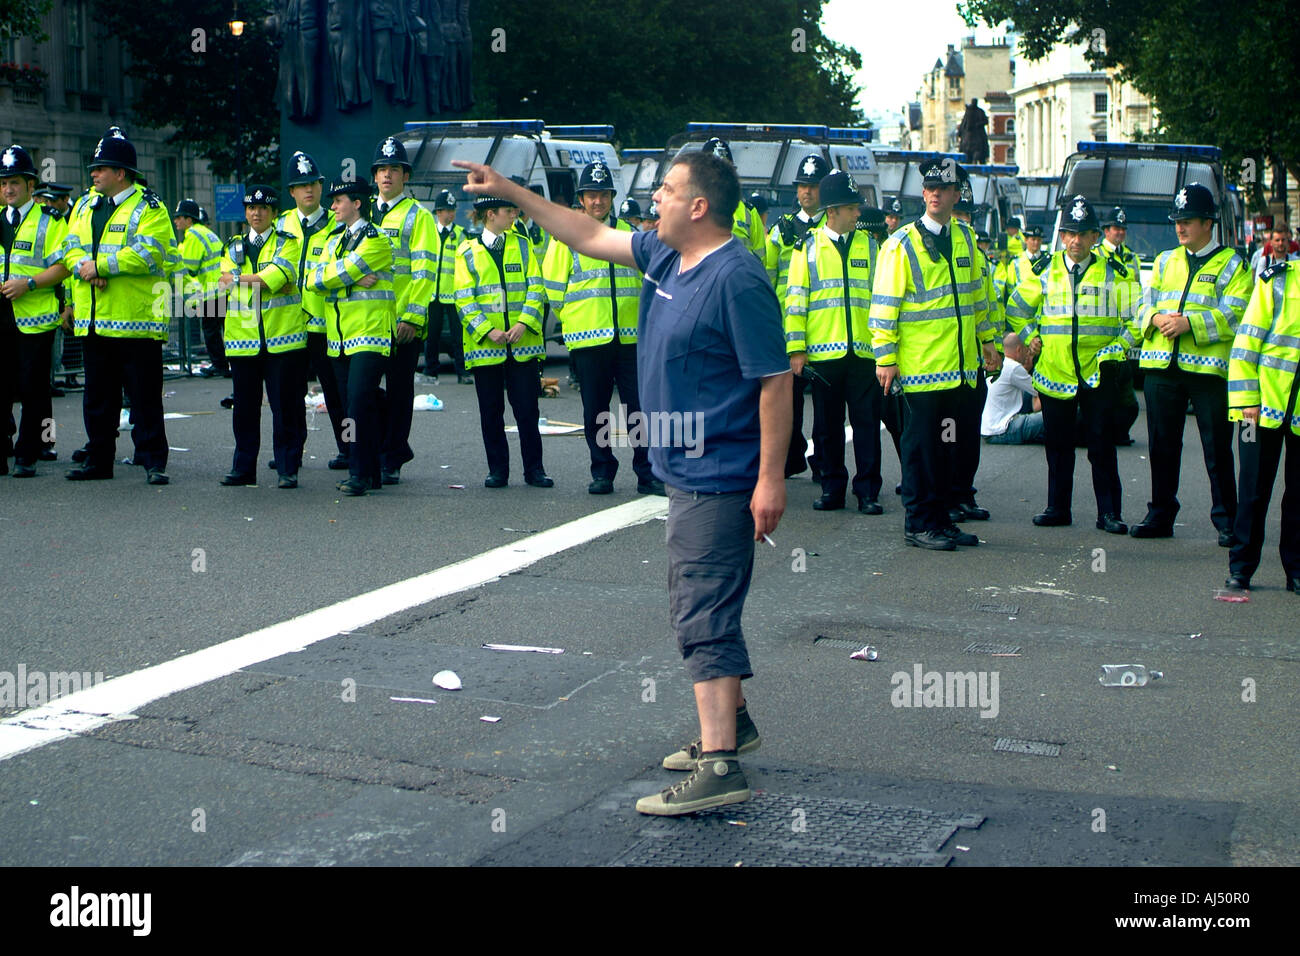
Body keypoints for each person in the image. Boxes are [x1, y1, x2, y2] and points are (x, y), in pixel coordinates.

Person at [452, 146, 791, 817]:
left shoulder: (737, 277)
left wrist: (770, 480)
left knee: (702, 607)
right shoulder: (669, 256)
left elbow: (775, 380)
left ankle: (720, 762)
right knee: (697, 595)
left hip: (718, 473)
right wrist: (512, 190)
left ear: (698, 206)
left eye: (665, 190)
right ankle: (733, 724)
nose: (653, 200)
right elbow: (583, 232)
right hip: (682, 469)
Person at [869, 159, 1000, 551]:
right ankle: (919, 522)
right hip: (922, 371)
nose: (935, 194)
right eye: (929, 188)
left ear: (956, 194)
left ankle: (942, 519)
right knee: (920, 451)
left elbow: (978, 297)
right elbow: (884, 307)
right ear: (923, 193)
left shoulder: (963, 238)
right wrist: (885, 358)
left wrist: (988, 341)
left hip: (959, 372)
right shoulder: (901, 244)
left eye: (943, 189)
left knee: (948, 450)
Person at [1006, 195, 1139, 533]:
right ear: (1061, 236)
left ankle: (1109, 513)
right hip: (1055, 371)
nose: (1076, 241)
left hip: (1097, 373)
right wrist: (1030, 335)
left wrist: (1117, 349)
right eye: (1069, 233)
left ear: (1095, 237)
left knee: (1102, 446)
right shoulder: (1044, 270)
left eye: (1083, 234)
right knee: (1058, 445)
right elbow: (1016, 307)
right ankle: (1057, 507)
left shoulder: (1114, 274)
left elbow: (1137, 318)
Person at [1131, 183, 1251, 544]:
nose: (1180, 227)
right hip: (1160, 367)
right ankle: (1160, 514)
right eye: (1177, 221)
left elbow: (1237, 313)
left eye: (1187, 220)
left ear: (1207, 223)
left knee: (1216, 449)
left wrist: (1190, 324)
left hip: (1207, 372)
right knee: (1161, 446)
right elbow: (1140, 304)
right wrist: (1153, 318)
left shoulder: (1233, 264)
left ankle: (1227, 520)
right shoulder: (1166, 260)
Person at [62, 127, 176, 485]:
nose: (93, 174)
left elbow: (150, 252)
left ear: (121, 173)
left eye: (101, 168)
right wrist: (84, 267)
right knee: (98, 397)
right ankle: (99, 460)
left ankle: (153, 461)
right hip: (96, 319)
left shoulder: (149, 206)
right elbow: (68, 245)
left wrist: (102, 266)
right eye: (93, 168)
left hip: (136, 319)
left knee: (144, 397)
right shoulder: (83, 205)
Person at [541, 160, 659, 495]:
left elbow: (648, 281)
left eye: (603, 194)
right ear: (582, 198)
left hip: (631, 337)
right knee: (596, 410)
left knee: (638, 408)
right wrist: (576, 320)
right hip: (588, 339)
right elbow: (553, 287)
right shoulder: (567, 235)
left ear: (611, 196)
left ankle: (647, 472)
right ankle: (602, 471)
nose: (597, 201)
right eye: (591, 195)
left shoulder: (631, 234)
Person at [784, 170, 883, 514]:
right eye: (852, 208)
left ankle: (868, 490)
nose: (858, 213)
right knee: (827, 428)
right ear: (833, 211)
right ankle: (832, 488)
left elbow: (880, 299)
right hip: (823, 354)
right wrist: (796, 350)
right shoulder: (806, 248)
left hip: (864, 353)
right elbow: (796, 302)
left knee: (867, 424)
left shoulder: (870, 247)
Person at [453, 190, 552, 489]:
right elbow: (463, 299)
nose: (515, 215)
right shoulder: (466, 252)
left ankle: (535, 470)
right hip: (487, 347)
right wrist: (487, 330)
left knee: (527, 410)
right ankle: (498, 470)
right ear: (490, 214)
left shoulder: (523, 246)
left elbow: (537, 288)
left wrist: (524, 322)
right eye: (509, 210)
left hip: (522, 345)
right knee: (491, 411)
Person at [309, 176, 396, 496]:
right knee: (352, 406)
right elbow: (313, 278)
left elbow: (334, 274)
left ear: (357, 203)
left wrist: (340, 277)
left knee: (358, 402)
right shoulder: (332, 241)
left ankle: (359, 472)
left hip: (370, 333)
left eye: (338, 201)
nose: (332, 206)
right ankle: (370, 467)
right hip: (340, 337)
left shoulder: (376, 239)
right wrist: (352, 280)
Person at [216, 185, 306, 489]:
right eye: (252, 208)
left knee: (285, 408)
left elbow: (277, 278)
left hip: (282, 338)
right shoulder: (232, 246)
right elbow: (224, 282)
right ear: (245, 212)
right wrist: (258, 280)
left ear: (274, 213)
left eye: (264, 208)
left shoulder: (287, 243)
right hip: (243, 340)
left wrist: (240, 279)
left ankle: (287, 468)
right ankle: (243, 469)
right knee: (244, 410)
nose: (257, 213)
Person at [1223, 258, 1299, 594]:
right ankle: (1241, 567)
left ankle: (1296, 569)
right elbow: (1246, 343)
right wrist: (1245, 402)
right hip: (1259, 408)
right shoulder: (1279, 280)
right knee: (1252, 489)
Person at [274, 149, 349, 471]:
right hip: (289, 323)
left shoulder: (337, 222)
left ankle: (348, 448)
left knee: (338, 394)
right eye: (301, 185)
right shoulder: (281, 225)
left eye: (313, 184)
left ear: (321, 187)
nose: (308, 190)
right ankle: (290, 453)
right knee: (288, 395)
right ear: (291, 191)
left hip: (327, 325)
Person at [371, 136, 438, 485]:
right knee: (361, 390)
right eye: (381, 169)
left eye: (393, 169)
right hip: (366, 321)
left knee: (399, 391)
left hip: (402, 322)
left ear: (405, 176)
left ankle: (393, 455)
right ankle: (381, 445)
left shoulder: (418, 216)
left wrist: (412, 316)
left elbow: (425, 271)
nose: (386, 175)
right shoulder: (364, 210)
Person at [1, 144, 69, 478]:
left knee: (34, 388)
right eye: (3, 183)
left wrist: (27, 284)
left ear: (31, 185)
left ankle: (34, 448)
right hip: (1, 316)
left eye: (14, 182)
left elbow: (64, 267)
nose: (8, 189)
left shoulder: (50, 220)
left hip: (35, 318)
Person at [765, 153, 828, 480]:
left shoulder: (832, 227)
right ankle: (792, 457)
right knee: (787, 399)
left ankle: (822, 462)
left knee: (824, 404)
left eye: (814, 186)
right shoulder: (782, 229)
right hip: (786, 327)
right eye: (803, 186)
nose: (807, 192)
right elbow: (768, 277)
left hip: (822, 326)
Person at [424, 189, 470, 384]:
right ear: (437, 212)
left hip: (453, 293)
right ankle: (430, 371)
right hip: (432, 293)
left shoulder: (460, 234)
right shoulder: (428, 233)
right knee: (431, 335)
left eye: (452, 210)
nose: (449, 213)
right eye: (445, 210)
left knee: (458, 336)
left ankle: (463, 371)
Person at [172, 198, 223, 366]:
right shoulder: (205, 231)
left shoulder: (193, 234)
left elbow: (190, 267)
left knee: (210, 331)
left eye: (180, 217)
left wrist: (177, 253)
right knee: (223, 330)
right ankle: (227, 364)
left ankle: (219, 365)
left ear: (189, 220)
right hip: (223, 288)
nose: (176, 221)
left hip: (212, 291)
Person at [701, 137, 765, 258]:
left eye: (725, 170)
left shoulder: (749, 213)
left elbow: (761, 261)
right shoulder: (688, 208)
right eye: (713, 170)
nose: (719, 175)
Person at [981, 332, 1043, 444]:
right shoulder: (1013, 367)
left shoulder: (999, 363)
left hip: (988, 429)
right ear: (1019, 349)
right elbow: (1041, 390)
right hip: (1004, 429)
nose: (1027, 353)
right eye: (1026, 350)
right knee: (1053, 416)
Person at [997, 224, 1048, 312]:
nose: (1036, 243)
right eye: (1033, 239)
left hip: (1043, 310)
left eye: (1039, 240)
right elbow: (1010, 289)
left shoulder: (1048, 260)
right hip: (1022, 310)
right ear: (1026, 240)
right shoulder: (1015, 262)